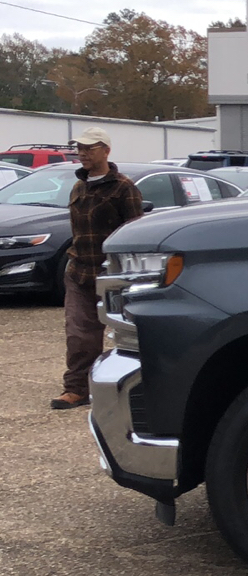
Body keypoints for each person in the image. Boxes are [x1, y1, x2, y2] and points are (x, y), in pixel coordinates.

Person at [51, 126, 142, 410]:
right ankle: (77, 388)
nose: (82, 154)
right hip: (79, 273)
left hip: (112, 275)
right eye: (80, 148)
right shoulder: (79, 186)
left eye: (89, 148)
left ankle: (136, 385)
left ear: (106, 150)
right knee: (79, 335)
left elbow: (133, 233)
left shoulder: (124, 187)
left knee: (130, 335)